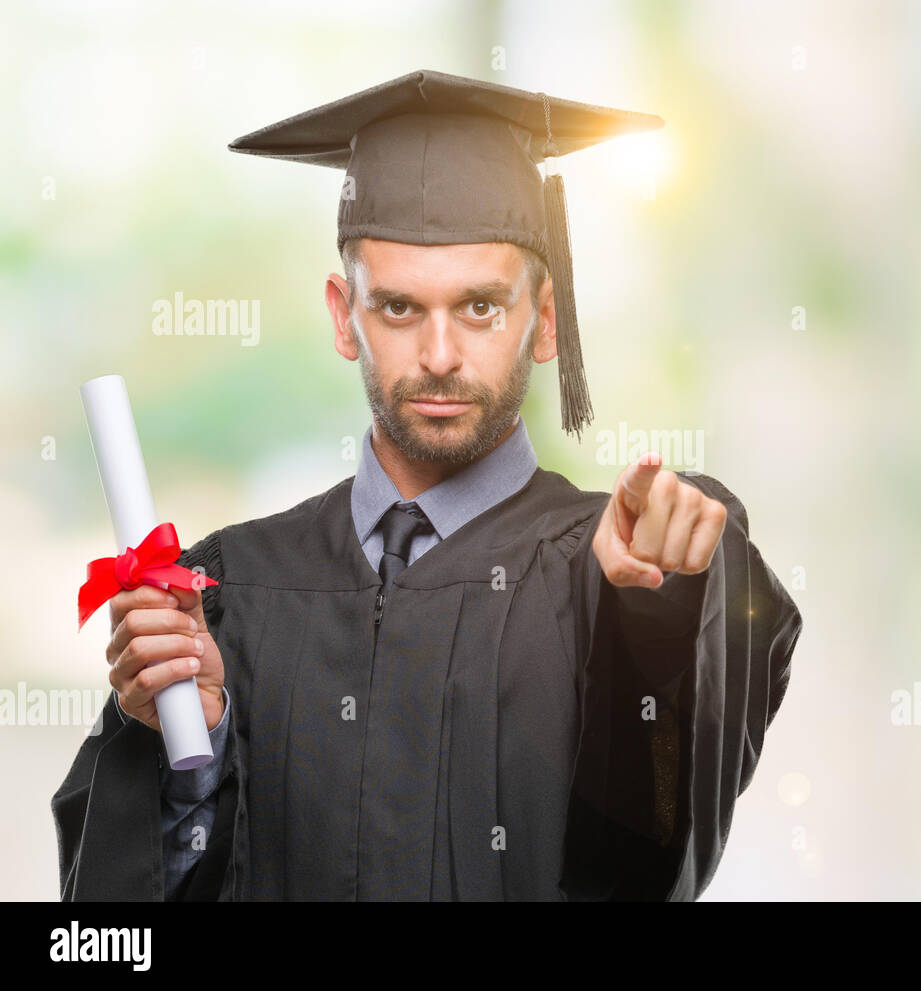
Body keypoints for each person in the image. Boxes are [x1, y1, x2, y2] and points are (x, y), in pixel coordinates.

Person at [52, 69, 802, 901]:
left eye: (480, 307)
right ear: (345, 316)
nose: (440, 354)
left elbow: (648, 872)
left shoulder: (607, 572)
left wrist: (667, 598)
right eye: (400, 308)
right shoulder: (233, 593)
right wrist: (185, 756)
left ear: (545, 319)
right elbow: (103, 937)